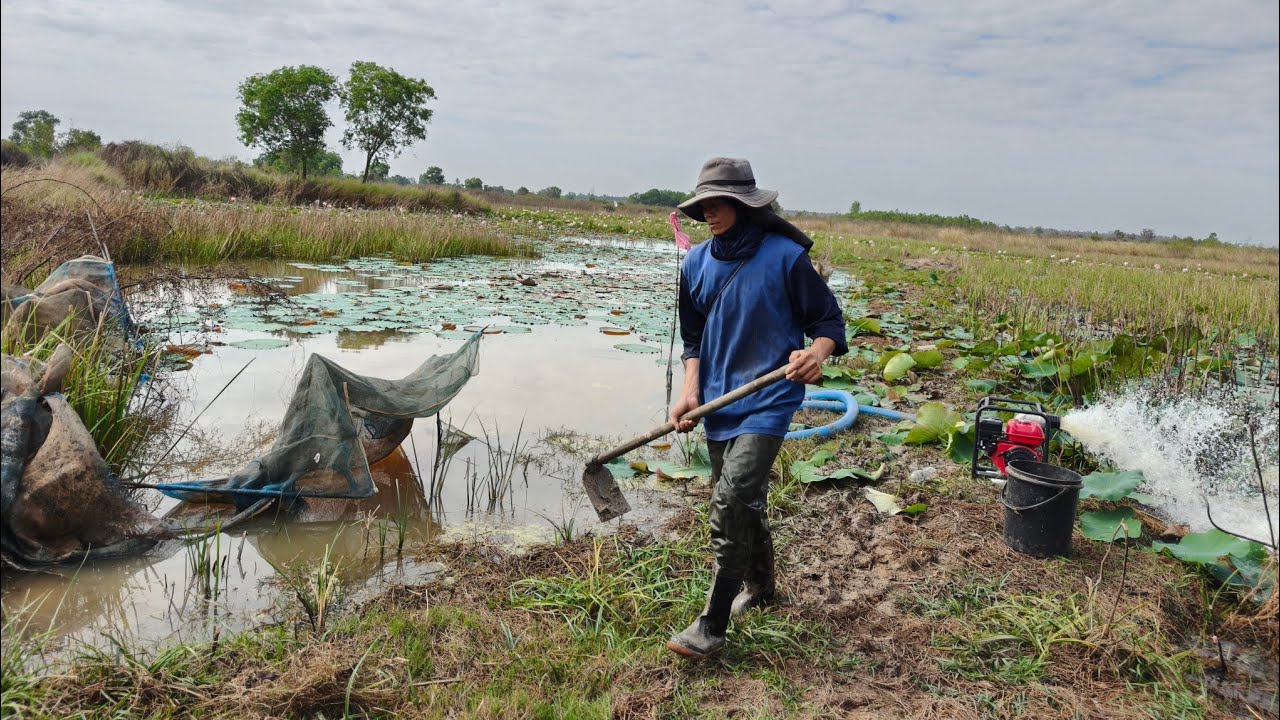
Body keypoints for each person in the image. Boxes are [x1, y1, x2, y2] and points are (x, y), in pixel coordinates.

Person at [666, 157, 848, 660]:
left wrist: (815, 354)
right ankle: (763, 588)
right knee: (745, 502)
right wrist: (690, 390)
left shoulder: (785, 258)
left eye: (720, 202)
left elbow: (829, 322)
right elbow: (694, 336)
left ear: (745, 206)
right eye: (704, 203)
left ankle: (712, 626)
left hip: (769, 399)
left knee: (730, 501)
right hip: (721, 401)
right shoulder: (695, 264)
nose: (711, 211)